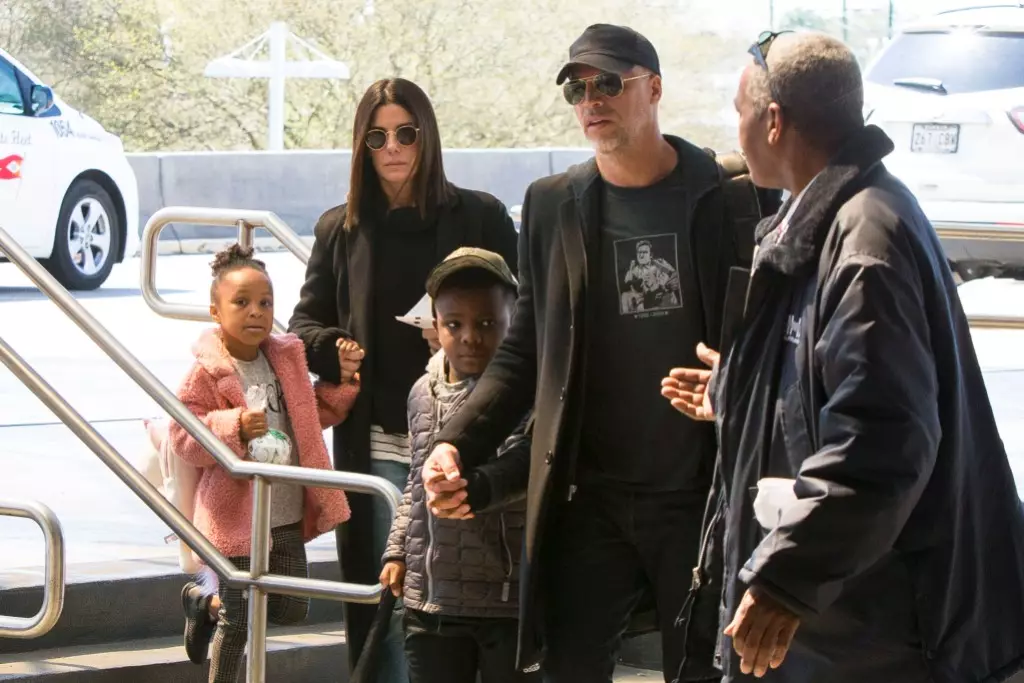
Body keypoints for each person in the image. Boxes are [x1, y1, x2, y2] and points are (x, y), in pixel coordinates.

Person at [419, 24, 777, 683]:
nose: (591, 99)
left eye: (608, 82)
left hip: (699, 497)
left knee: (705, 671)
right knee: (570, 669)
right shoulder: (553, 204)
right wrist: (457, 443)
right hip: (589, 498)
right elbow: (525, 353)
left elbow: (772, 338)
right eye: (576, 87)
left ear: (655, 88)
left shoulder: (731, 195)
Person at [661, 31, 1024, 682]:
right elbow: (831, 384)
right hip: (848, 629)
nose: (736, 133)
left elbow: (882, 438)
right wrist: (740, 391)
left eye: (740, 114)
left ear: (773, 121)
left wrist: (789, 579)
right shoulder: (828, 221)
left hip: (886, 635)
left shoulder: (865, 243)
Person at [287, 77, 519, 680]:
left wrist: (461, 331)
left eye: (406, 133)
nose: (392, 147)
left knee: (460, 597)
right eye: (377, 136)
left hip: (468, 430)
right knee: (385, 592)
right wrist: (329, 349)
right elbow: (303, 321)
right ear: (361, 146)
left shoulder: (480, 215)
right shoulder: (340, 228)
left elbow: (528, 314)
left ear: (428, 136)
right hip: (379, 438)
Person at [170, 245, 357, 682]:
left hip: (285, 508)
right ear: (215, 311)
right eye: (241, 303)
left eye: (265, 303)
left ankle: (205, 604)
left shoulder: (284, 358)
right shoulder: (207, 371)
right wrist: (232, 425)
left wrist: (341, 391)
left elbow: (307, 418)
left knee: (294, 606)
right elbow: (184, 434)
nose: (256, 312)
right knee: (239, 620)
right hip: (235, 516)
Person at [380, 247, 537, 683]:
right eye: (454, 324)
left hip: (509, 601)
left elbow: (527, 471)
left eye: (487, 323)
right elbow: (415, 478)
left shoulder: (531, 393)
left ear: (515, 321)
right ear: (435, 324)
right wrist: (397, 550)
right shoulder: (420, 392)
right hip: (432, 600)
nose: (470, 337)